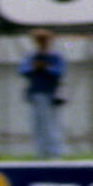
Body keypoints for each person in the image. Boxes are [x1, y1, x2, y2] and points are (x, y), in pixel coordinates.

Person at [19, 29, 65, 158]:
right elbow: (23, 70)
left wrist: (45, 67)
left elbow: (59, 72)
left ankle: (54, 152)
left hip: (50, 94)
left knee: (50, 124)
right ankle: (40, 152)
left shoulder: (55, 57)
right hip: (35, 94)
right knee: (38, 124)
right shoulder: (32, 57)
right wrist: (35, 67)